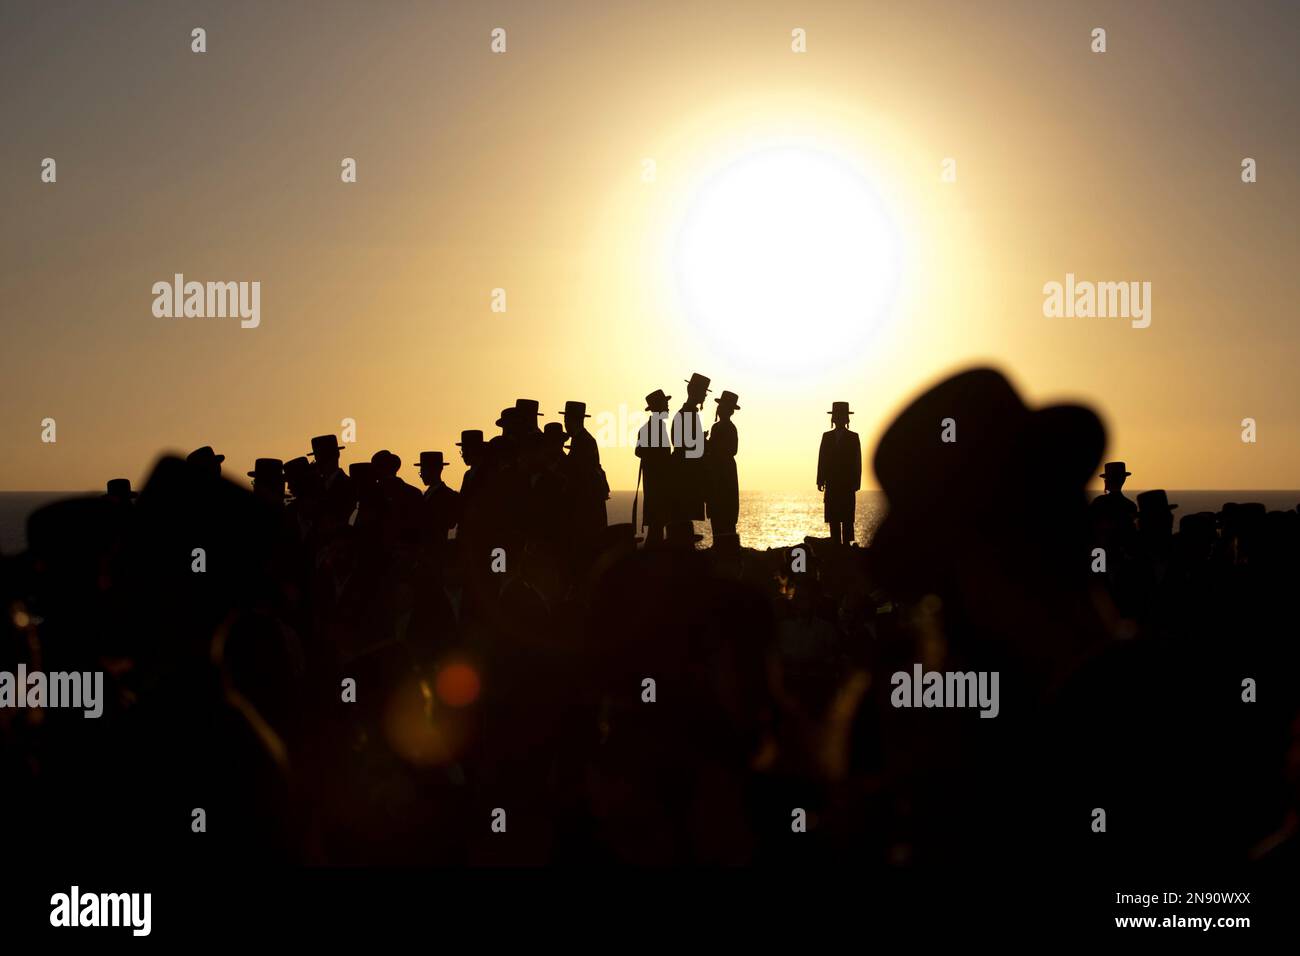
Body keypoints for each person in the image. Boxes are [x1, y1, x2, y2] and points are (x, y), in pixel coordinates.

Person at [668, 373, 710, 547]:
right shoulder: (687, 414)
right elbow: (686, 446)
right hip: (685, 474)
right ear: (696, 392)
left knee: (681, 517)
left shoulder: (686, 413)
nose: (705, 395)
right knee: (682, 517)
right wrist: (702, 441)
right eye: (703, 392)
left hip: (684, 472)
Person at [560, 400, 608, 553]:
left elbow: (579, 474)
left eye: (566, 420)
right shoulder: (583, 440)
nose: (565, 424)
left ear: (573, 420)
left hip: (585, 505)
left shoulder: (583, 442)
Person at [817, 401, 861, 545]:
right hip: (832, 483)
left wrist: (856, 482)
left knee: (847, 517)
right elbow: (822, 458)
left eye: (841, 416)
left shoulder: (853, 437)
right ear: (833, 418)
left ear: (846, 419)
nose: (838, 419)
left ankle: (846, 546)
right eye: (837, 416)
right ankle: (836, 545)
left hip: (847, 483)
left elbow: (857, 461)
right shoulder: (827, 436)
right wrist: (820, 479)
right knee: (833, 516)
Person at [635, 389, 673, 547]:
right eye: (665, 404)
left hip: (655, 485)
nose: (668, 407)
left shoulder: (652, 427)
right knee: (657, 527)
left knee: (656, 526)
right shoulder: (654, 428)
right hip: (658, 486)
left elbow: (639, 451)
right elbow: (642, 452)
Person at [413, 451, 460, 567]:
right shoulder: (448, 494)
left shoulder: (448, 495)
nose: (421, 475)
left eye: (423, 471)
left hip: (435, 551)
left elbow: (450, 522)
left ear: (432, 471)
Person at [706, 390, 740, 548]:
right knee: (717, 512)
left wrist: (710, 445)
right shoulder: (716, 427)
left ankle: (726, 548)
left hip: (724, 474)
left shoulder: (729, 428)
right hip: (716, 474)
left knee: (725, 512)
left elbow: (732, 449)